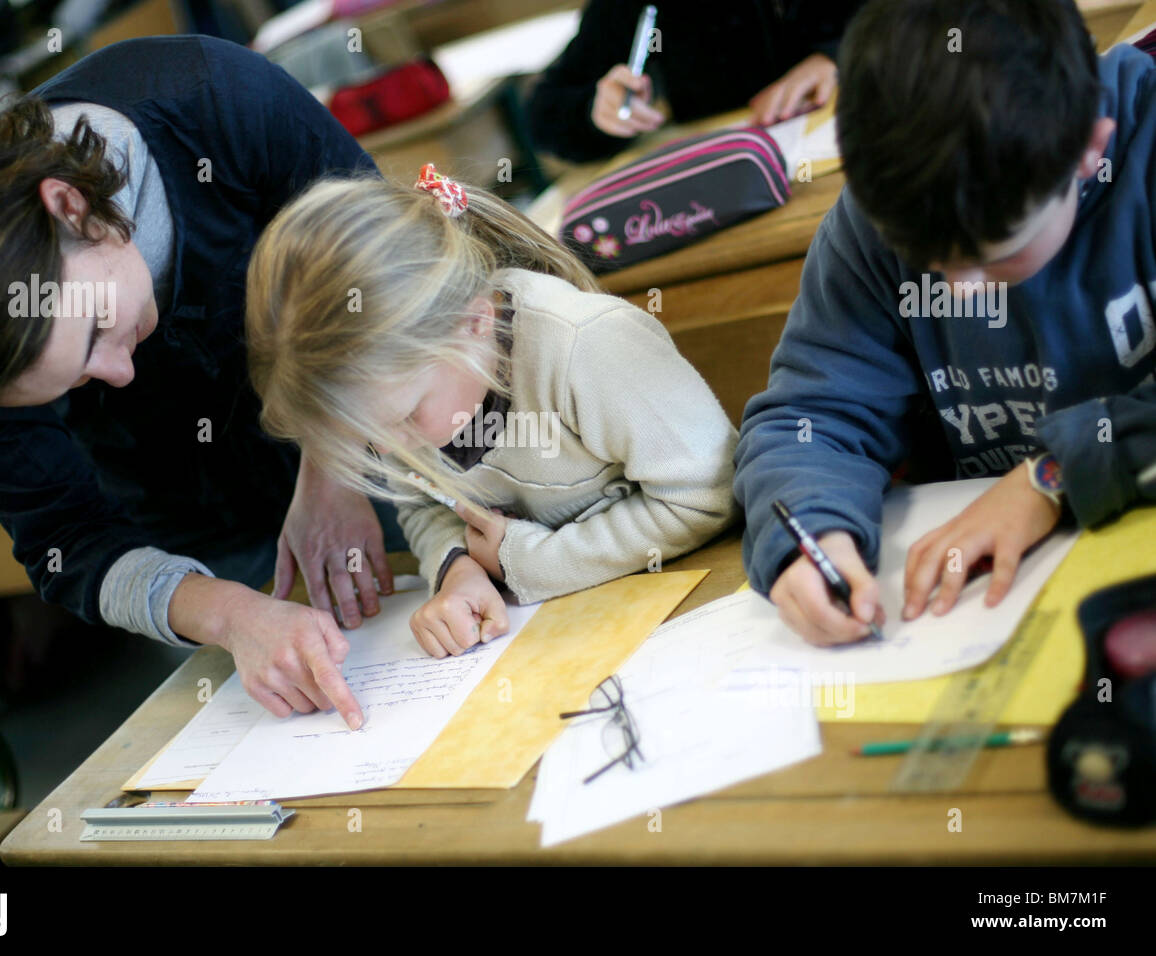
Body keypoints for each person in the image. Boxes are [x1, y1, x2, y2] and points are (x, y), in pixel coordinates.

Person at [0, 36, 405, 727]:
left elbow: (383, 270)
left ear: (72, 207)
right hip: (195, 535)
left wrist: (334, 467)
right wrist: (230, 615)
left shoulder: (218, 104)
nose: (118, 375)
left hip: (375, 434)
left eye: (92, 335)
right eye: (71, 385)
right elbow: (67, 543)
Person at [733, 0, 1156, 647]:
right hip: (990, 613)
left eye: (999, 252)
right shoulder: (882, 213)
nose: (960, 292)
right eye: (931, 263)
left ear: (1088, 150)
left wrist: (1052, 477)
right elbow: (811, 418)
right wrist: (810, 535)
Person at [244, 166, 738, 657]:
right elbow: (421, 505)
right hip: (570, 638)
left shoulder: (585, 347)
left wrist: (530, 564)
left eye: (406, 419)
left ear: (475, 322)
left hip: (700, 614)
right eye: (368, 441)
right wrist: (458, 568)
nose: (395, 447)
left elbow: (705, 496)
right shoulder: (393, 404)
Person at [527, 0, 865, 163]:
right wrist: (595, 112)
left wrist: (839, 54)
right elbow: (542, 115)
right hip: (738, 185)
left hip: (865, 149)